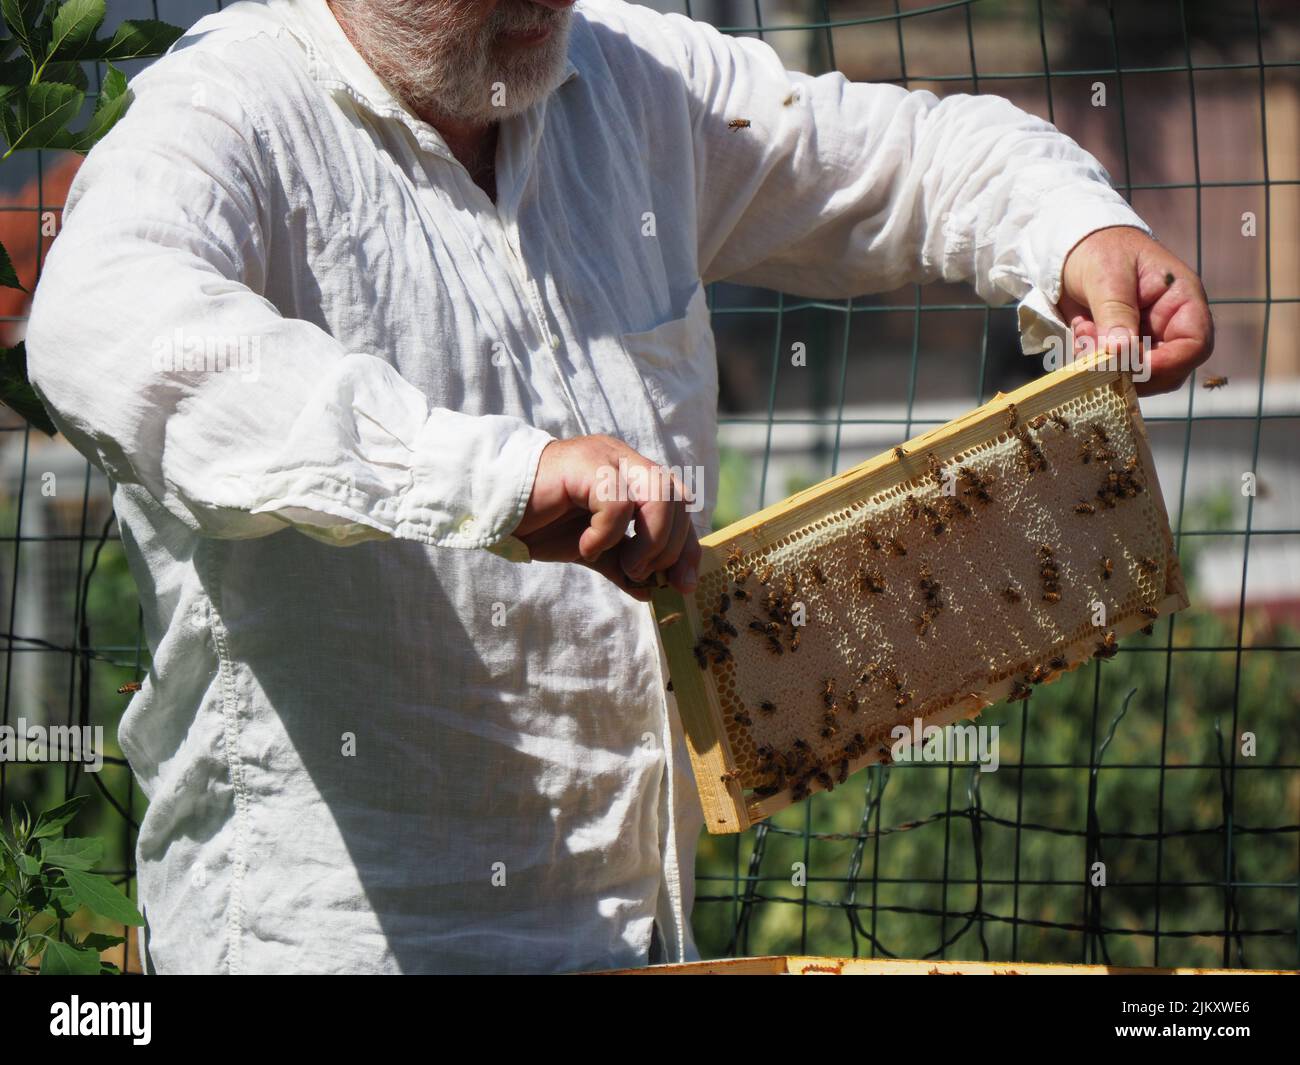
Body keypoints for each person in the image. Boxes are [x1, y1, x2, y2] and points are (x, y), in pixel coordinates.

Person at [25, 0, 1213, 974]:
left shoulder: (622, 75)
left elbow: (899, 157)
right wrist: (495, 477)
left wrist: (1070, 233)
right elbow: (111, 328)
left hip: (635, 932)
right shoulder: (226, 112)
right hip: (335, 943)